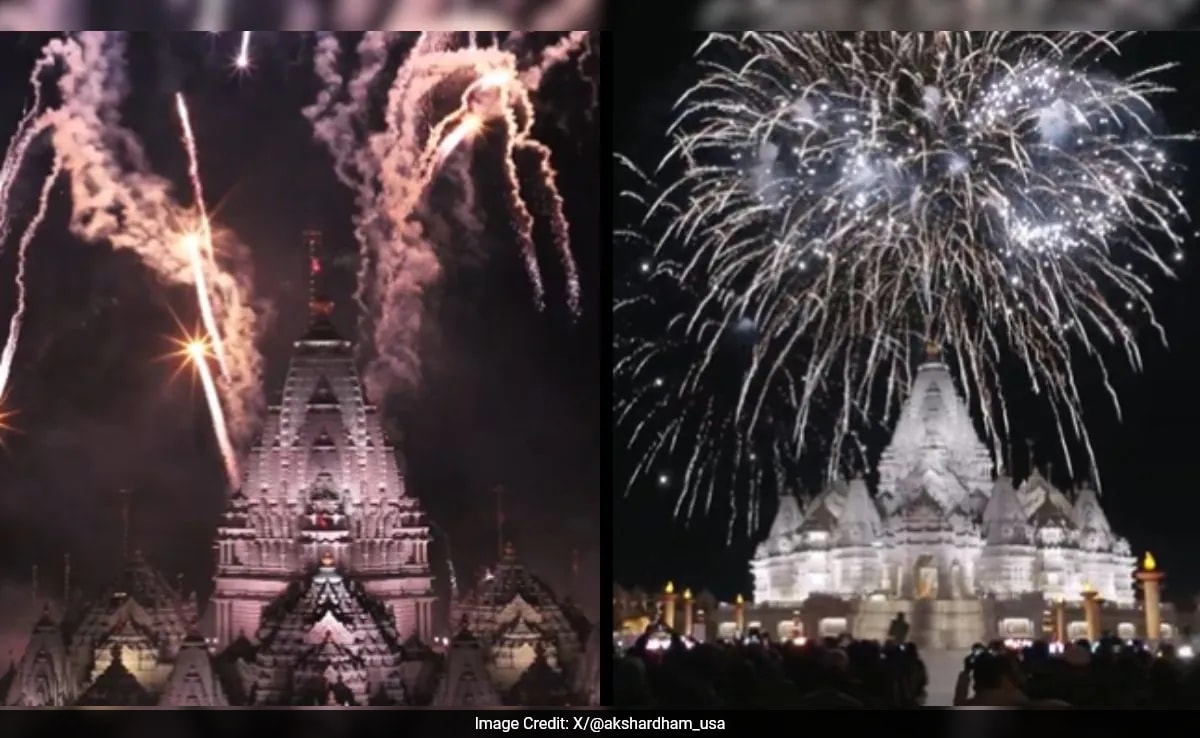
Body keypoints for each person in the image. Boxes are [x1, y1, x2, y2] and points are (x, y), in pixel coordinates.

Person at [953, 652, 1030, 706]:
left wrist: (966, 672)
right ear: (1003, 678)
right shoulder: (1015, 700)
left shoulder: (970, 705)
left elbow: (958, 702)